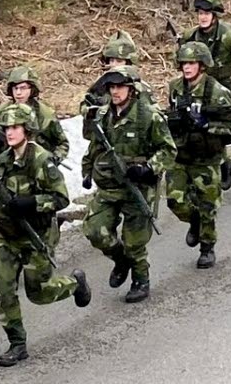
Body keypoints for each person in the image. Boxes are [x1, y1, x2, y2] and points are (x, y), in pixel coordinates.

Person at [0, 104, 90, 367]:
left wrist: (30, 202)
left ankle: (74, 284)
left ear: (26, 129)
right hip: (8, 237)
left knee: (39, 293)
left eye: (14, 127)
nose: (9, 133)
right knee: (4, 292)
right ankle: (17, 343)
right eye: (7, 128)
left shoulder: (41, 160)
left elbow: (61, 199)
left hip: (37, 234)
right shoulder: (3, 160)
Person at [81, 65, 174, 302]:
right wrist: (87, 171)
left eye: (120, 86)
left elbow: (168, 150)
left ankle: (140, 279)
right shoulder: (103, 115)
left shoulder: (148, 116)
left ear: (131, 89)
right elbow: (94, 147)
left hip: (138, 188)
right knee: (95, 231)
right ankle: (120, 260)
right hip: (110, 186)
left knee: (135, 242)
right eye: (112, 87)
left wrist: (147, 168)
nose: (115, 92)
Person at [163, 42, 231, 268]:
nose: (187, 68)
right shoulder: (176, 87)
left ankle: (207, 247)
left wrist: (207, 125)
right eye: (184, 63)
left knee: (208, 205)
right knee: (175, 200)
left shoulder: (216, 92)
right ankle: (194, 221)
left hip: (207, 157)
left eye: (192, 63)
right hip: (180, 153)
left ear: (202, 65)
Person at [182, 0, 231, 188]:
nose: (203, 17)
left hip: (222, 90)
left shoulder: (228, 35)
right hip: (197, 88)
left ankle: (222, 163)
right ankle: (220, 163)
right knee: (197, 125)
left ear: (215, 15)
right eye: (200, 13)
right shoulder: (190, 36)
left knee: (218, 127)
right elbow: (181, 62)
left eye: (207, 13)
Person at [0, 66, 69, 165]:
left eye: (23, 88)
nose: (18, 93)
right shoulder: (2, 111)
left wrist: (53, 160)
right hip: (9, 167)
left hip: (37, 168)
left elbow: (62, 144)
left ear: (32, 89)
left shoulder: (44, 114)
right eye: (15, 88)